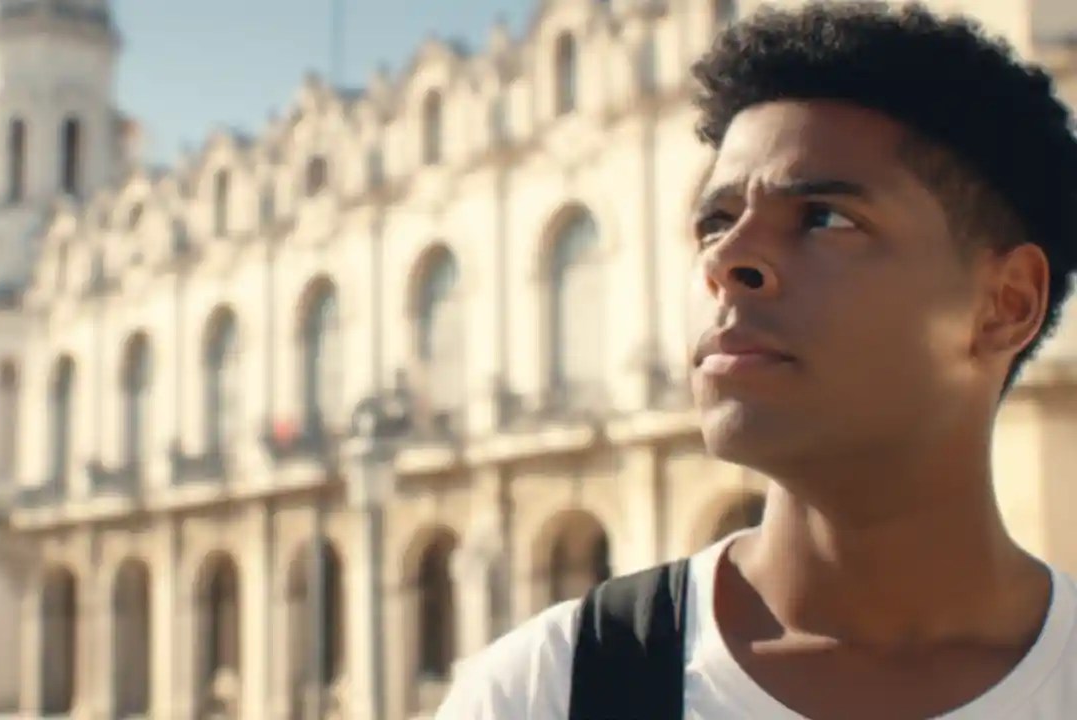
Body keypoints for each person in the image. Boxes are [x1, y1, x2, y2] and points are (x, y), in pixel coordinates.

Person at [435, 1, 1077, 717]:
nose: (726, 259)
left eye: (825, 218)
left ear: (1006, 304)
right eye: (715, 221)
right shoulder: (548, 690)